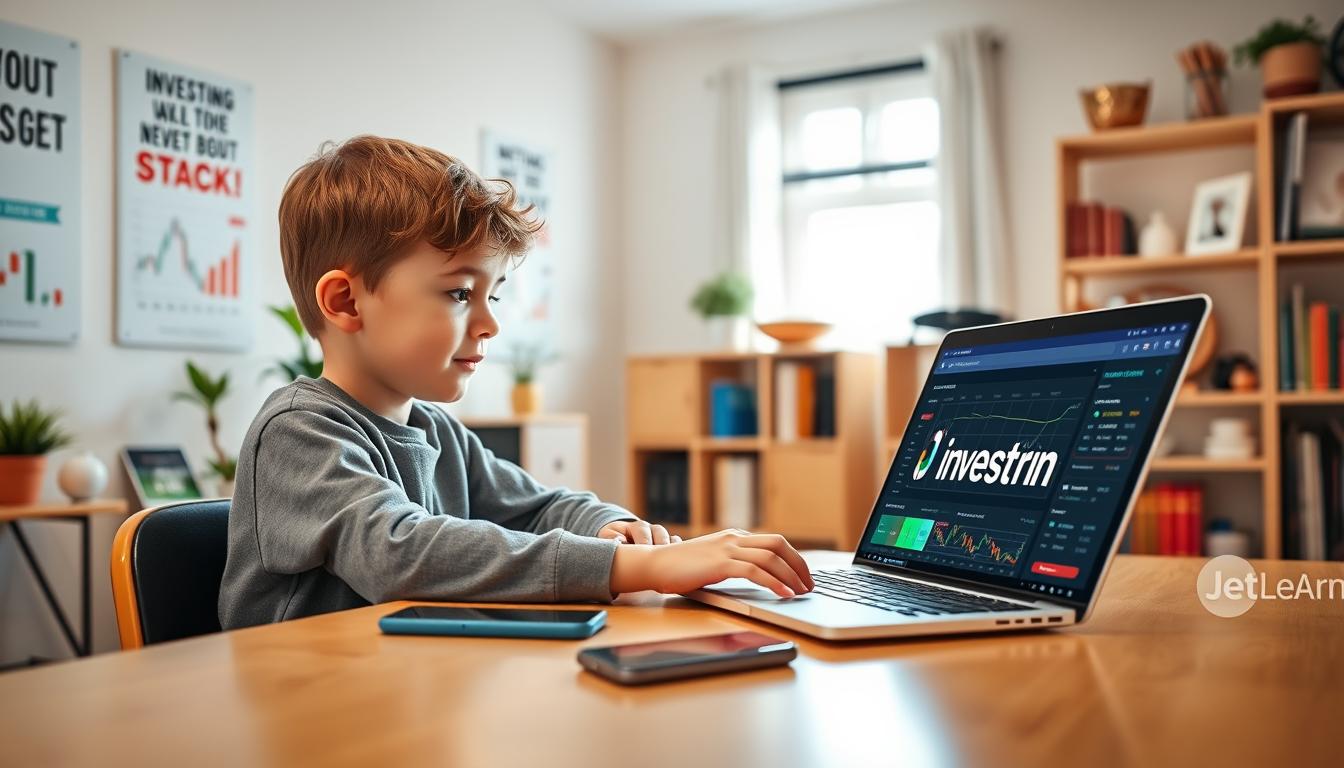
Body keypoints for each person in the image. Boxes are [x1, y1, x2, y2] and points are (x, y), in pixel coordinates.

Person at [218, 136, 813, 629]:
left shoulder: (435, 431)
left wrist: (606, 526)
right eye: (458, 293)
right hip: (307, 705)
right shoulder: (298, 431)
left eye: (492, 295)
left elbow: (537, 507)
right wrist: (639, 569)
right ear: (346, 301)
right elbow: (400, 552)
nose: (490, 323)